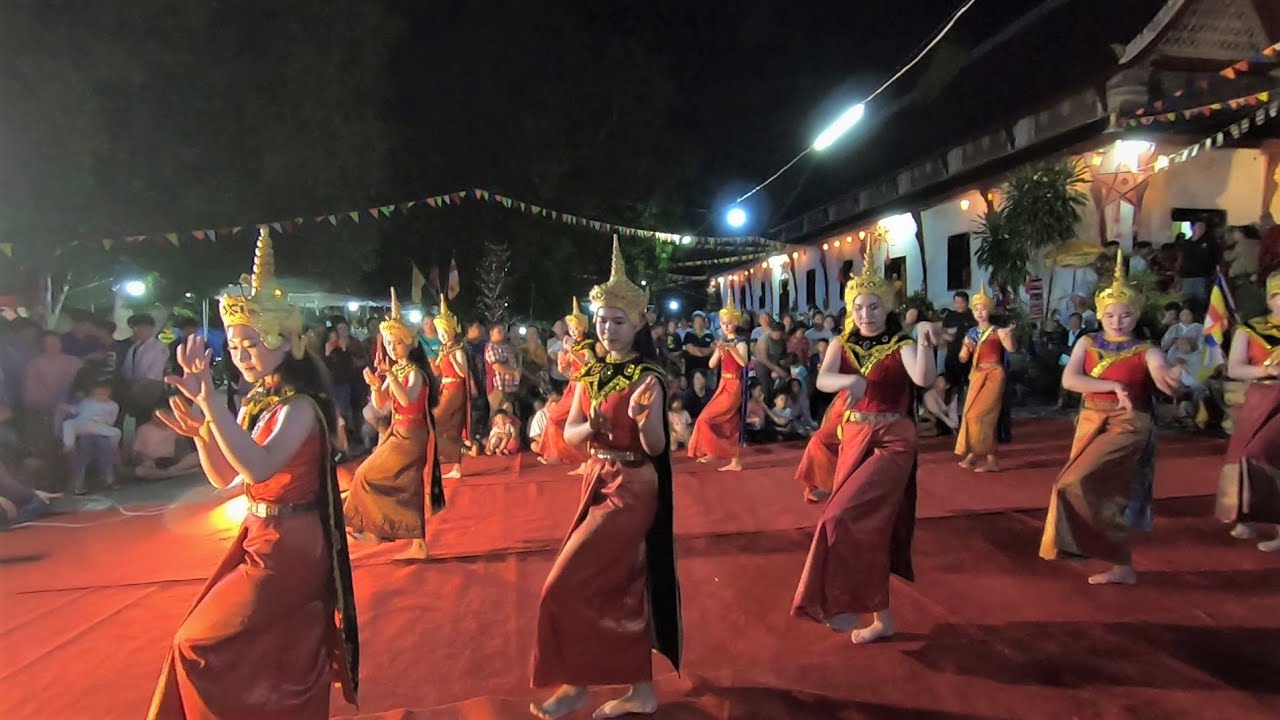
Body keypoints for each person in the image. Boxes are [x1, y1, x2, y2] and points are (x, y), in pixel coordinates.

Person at [147, 227, 358, 718]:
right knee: (261, 652)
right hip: (261, 533)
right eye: (236, 346)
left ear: (286, 341)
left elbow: (259, 465)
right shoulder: (260, 403)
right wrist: (203, 430)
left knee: (195, 642)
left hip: (291, 544)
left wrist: (213, 404)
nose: (241, 355)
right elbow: (227, 476)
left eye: (252, 344)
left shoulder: (300, 407)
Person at [531, 238, 680, 720]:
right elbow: (572, 431)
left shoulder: (648, 376)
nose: (608, 329)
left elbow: (657, 448)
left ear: (638, 323)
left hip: (633, 487)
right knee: (619, 584)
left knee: (563, 583)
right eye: (602, 321)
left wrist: (642, 419)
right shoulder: (590, 371)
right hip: (597, 477)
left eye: (618, 321)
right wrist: (591, 425)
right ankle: (638, 689)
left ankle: (578, 683)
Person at [792, 242, 939, 645]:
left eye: (873, 307)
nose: (865, 315)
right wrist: (849, 381)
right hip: (854, 435)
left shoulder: (902, 343)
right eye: (859, 307)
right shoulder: (843, 343)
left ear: (886, 308)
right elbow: (823, 380)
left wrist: (924, 340)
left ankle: (843, 603)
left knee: (838, 517)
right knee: (873, 526)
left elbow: (923, 379)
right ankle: (881, 618)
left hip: (893, 440)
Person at [1040, 251, 1183, 585]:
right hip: (1091, 419)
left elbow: (1161, 371)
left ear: (1135, 316)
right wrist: (1111, 383)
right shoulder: (1088, 342)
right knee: (1102, 490)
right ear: (1100, 315)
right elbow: (1070, 380)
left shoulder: (1147, 349)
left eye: (1125, 315)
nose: (1117, 321)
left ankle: (1082, 546)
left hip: (1130, 422)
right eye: (1111, 315)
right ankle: (1121, 563)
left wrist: (1172, 377)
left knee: (1074, 482)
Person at [343, 288, 445, 562]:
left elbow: (407, 398)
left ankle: (374, 530)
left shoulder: (416, 373)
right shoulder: (397, 371)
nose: (391, 348)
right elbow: (382, 403)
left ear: (409, 343)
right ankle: (414, 543)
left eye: (396, 343)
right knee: (406, 486)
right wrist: (377, 385)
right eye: (388, 343)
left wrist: (390, 378)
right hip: (396, 432)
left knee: (366, 474)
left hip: (412, 435)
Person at [1216, 271, 1280, 551]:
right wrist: (1267, 369)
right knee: (1241, 455)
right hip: (1260, 397)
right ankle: (1245, 515)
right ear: (1270, 299)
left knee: (1262, 453)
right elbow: (1235, 368)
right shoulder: (1250, 329)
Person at [955, 284, 1016, 473]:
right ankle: (974, 454)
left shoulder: (997, 332)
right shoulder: (971, 333)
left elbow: (1012, 349)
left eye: (983, 309)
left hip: (994, 375)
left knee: (982, 416)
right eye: (976, 309)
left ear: (989, 310)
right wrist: (966, 346)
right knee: (967, 414)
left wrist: (1008, 336)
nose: (980, 312)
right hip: (977, 374)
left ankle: (991, 459)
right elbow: (963, 358)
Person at [538, 298, 601, 474]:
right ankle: (562, 454)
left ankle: (589, 461)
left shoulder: (588, 346)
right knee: (555, 417)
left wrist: (572, 352)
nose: (573, 331)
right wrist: (562, 364)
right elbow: (566, 372)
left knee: (589, 424)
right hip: (573, 387)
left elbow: (590, 366)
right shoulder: (572, 345)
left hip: (586, 388)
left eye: (576, 328)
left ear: (583, 328)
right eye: (571, 329)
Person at [687, 299, 749, 471]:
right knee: (729, 423)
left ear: (735, 323)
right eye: (723, 323)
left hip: (734, 385)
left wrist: (731, 347)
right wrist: (720, 350)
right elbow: (712, 364)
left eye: (729, 323)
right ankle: (735, 461)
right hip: (723, 382)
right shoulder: (722, 341)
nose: (726, 326)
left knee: (705, 418)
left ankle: (713, 450)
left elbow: (744, 363)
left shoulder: (741, 342)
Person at [431, 295, 469, 479]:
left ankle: (441, 454)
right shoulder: (443, 349)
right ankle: (456, 466)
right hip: (445, 388)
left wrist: (452, 357)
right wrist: (434, 362)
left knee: (435, 420)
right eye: (441, 333)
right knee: (452, 428)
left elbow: (463, 373)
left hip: (455, 390)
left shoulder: (458, 350)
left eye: (446, 332)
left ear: (453, 331)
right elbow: (438, 371)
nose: (443, 335)